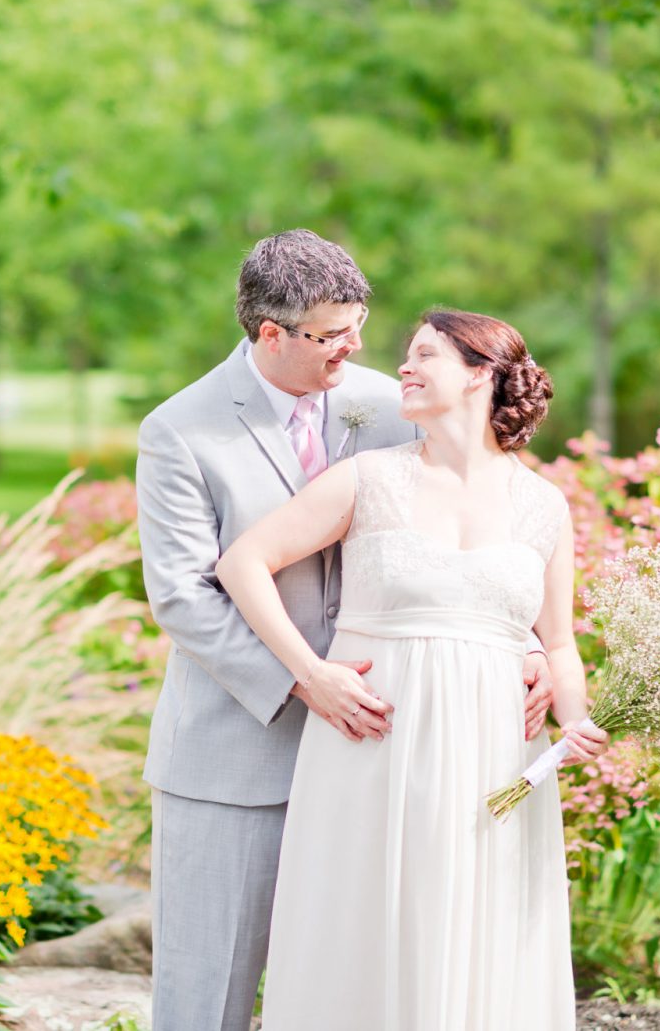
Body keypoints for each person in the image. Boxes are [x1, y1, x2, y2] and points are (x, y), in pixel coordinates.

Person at [138, 235, 554, 1031]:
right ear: (271, 334)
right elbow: (185, 597)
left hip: (383, 757)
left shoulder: (392, 402)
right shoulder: (180, 430)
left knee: (364, 984)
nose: (355, 348)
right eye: (332, 334)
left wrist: (525, 643)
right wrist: (305, 677)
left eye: (358, 326)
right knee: (207, 996)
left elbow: (463, 528)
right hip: (238, 751)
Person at [216, 307, 610, 1031]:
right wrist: (310, 672)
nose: (403, 366)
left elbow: (558, 644)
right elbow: (243, 562)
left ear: (481, 374)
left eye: (424, 354)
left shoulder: (545, 506)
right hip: (373, 747)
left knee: (479, 924)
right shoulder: (368, 479)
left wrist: (575, 716)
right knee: (364, 922)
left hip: (494, 756)